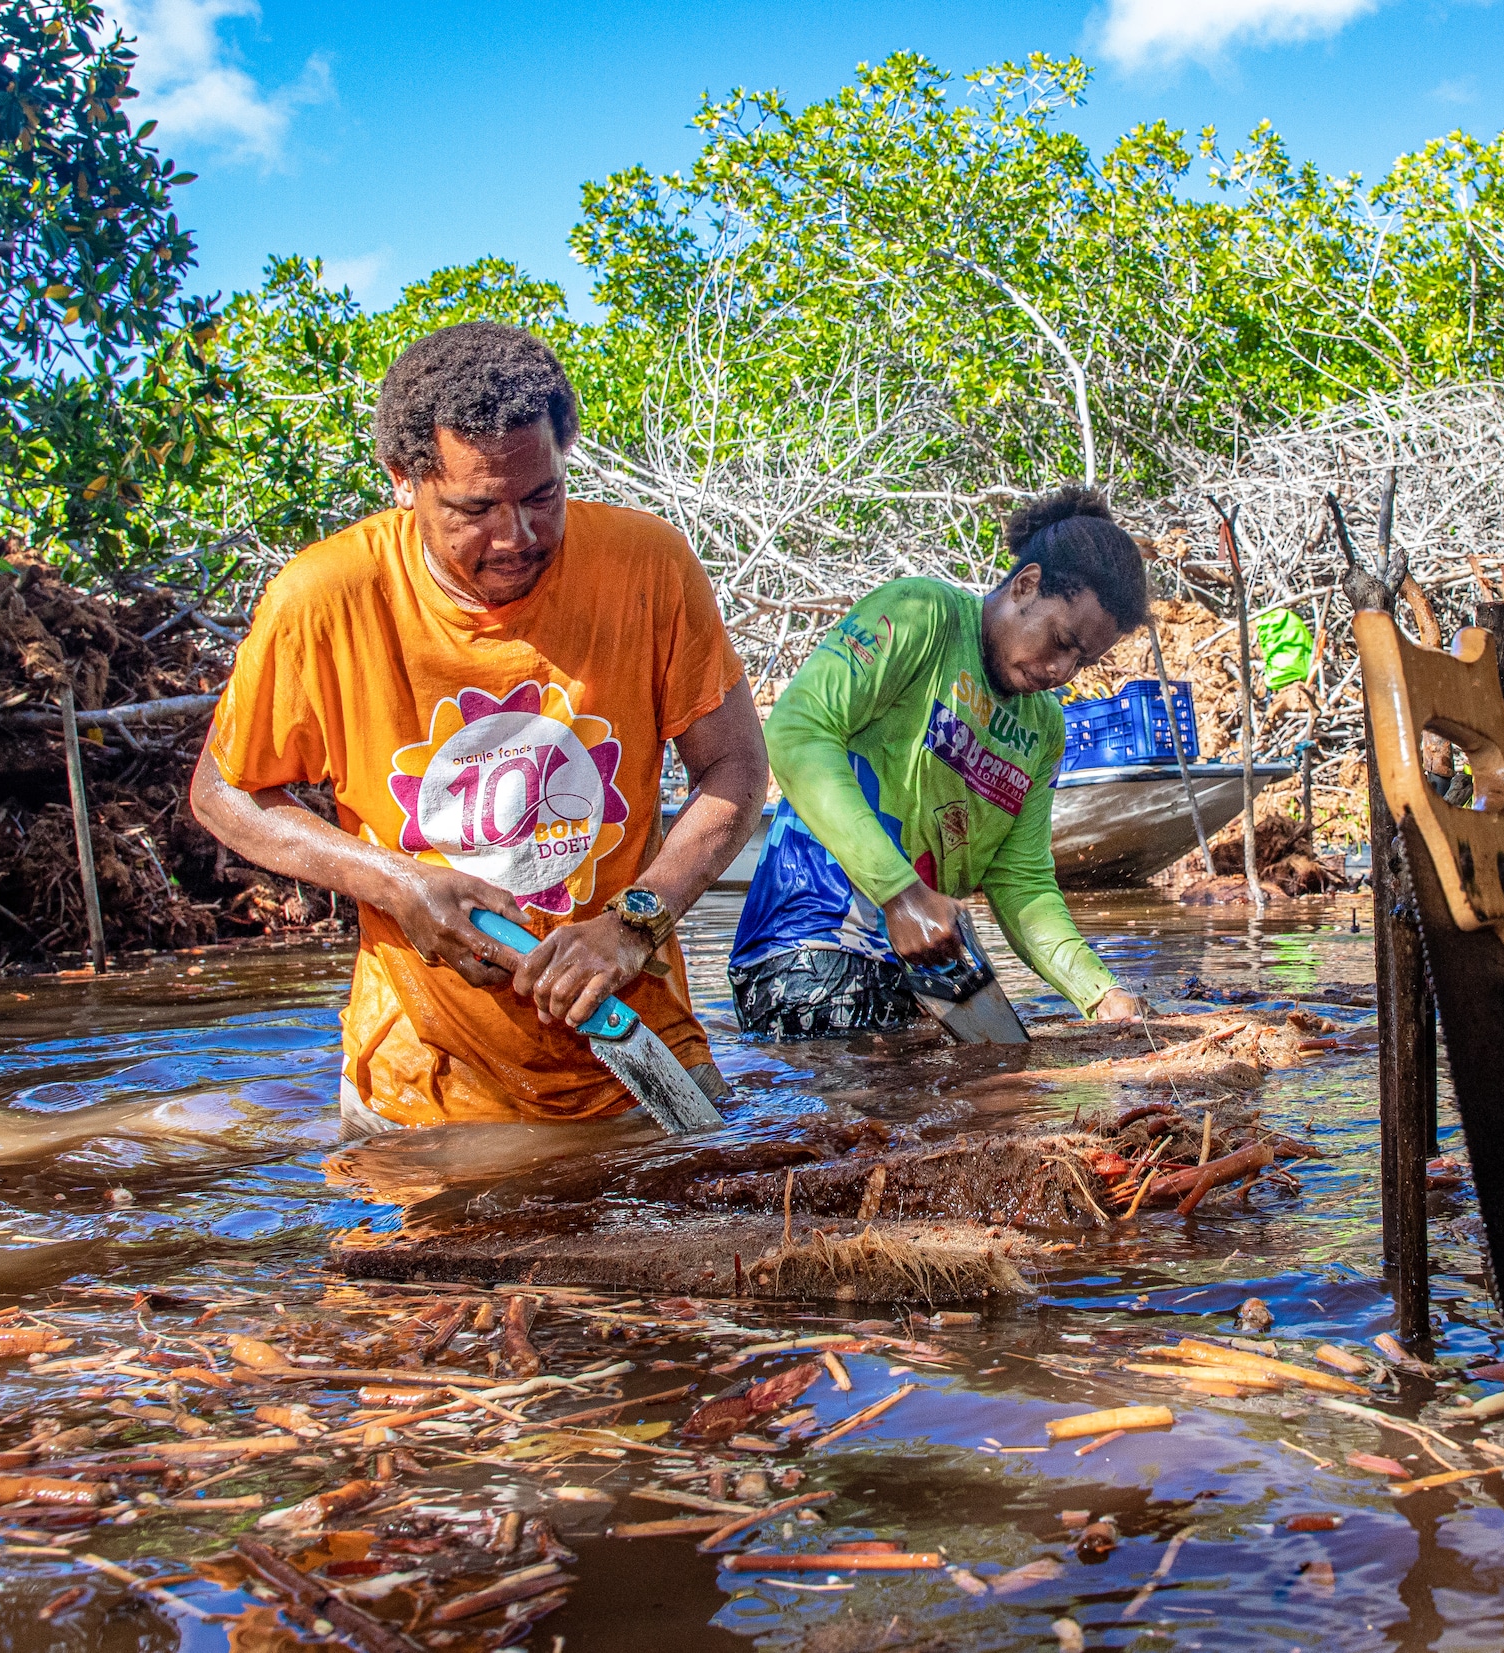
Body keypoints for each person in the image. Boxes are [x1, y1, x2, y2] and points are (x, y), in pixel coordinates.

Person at [191, 322, 767, 1133]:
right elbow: (223, 791)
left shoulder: (648, 564)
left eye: (542, 496)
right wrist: (396, 883)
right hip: (425, 1079)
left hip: (638, 1040)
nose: (517, 537)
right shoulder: (325, 597)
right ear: (403, 480)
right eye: (475, 508)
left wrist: (635, 923)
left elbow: (737, 769)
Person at [729, 487, 1149, 1037]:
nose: (1062, 670)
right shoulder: (921, 614)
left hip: (924, 975)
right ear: (1027, 585)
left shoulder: (1044, 728)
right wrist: (899, 895)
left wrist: (1101, 993)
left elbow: (1021, 881)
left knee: (995, 1096)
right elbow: (797, 731)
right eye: (1061, 640)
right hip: (807, 946)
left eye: (1083, 659)